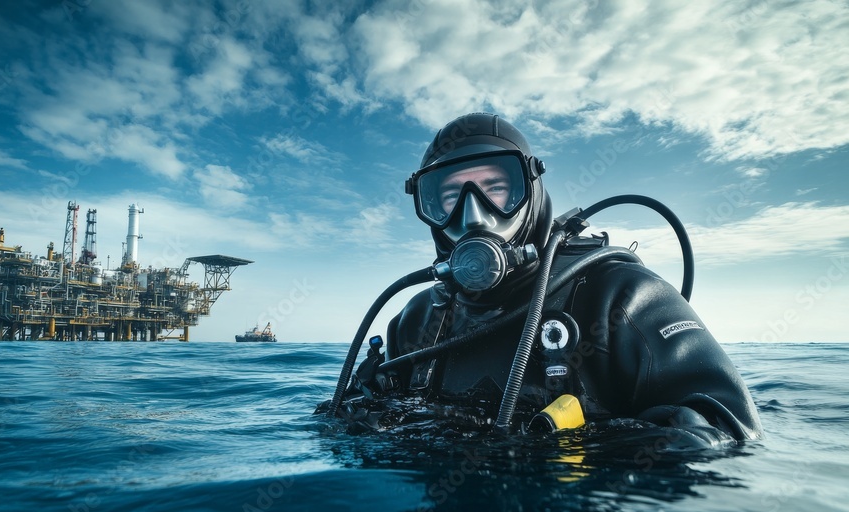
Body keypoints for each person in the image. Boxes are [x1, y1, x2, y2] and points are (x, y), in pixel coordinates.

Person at [325, 112, 762, 445]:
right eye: (452, 195)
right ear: (432, 212)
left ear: (530, 190)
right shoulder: (416, 320)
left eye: (495, 188)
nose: (474, 213)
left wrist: (589, 449)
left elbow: (731, 428)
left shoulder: (622, 298)